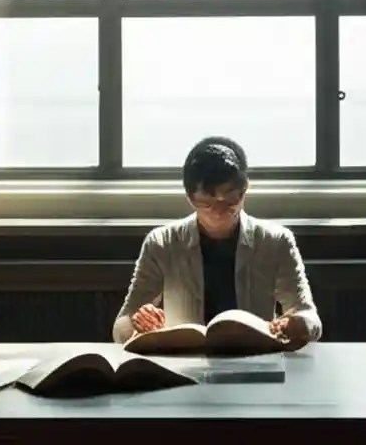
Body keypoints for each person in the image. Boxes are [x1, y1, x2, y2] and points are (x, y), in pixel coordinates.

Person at [112, 136, 322, 346]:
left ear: (245, 188)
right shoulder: (162, 243)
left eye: (230, 199)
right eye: (206, 202)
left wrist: (299, 324)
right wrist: (139, 323)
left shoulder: (276, 241)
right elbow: (121, 324)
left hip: (256, 359)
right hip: (185, 363)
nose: (219, 211)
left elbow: (308, 315)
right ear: (190, 198)